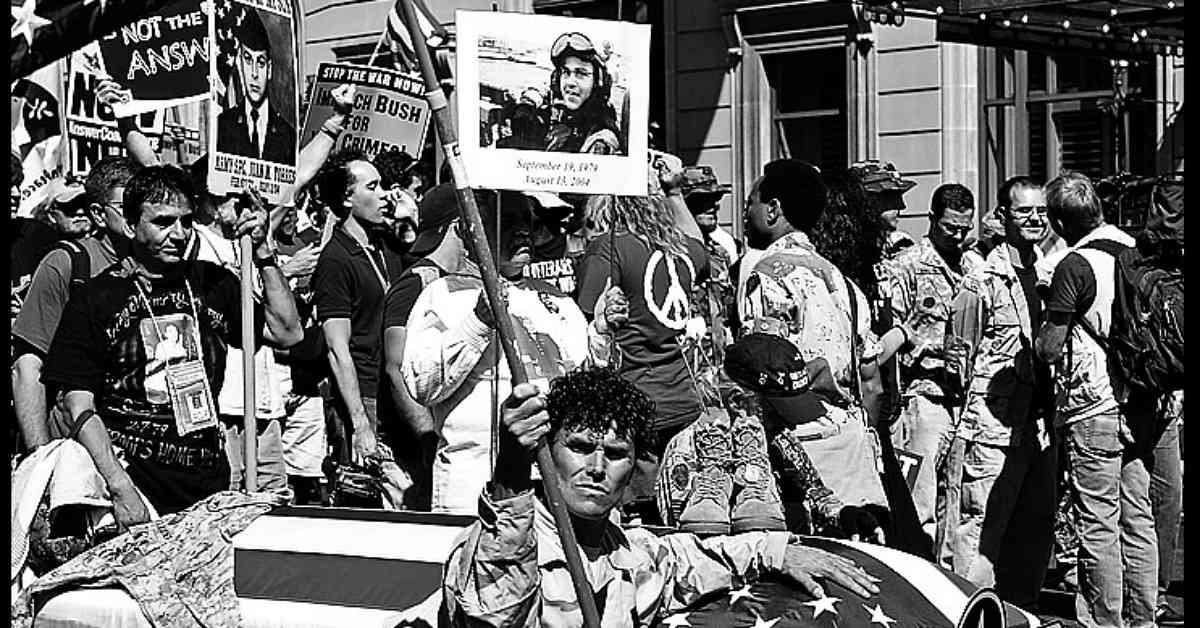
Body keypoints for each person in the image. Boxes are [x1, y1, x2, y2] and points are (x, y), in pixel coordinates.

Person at [443, 366, 881, 627]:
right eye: (579, 447)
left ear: (635, 467)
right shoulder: (487, 546)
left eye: (616, 454)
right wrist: (511, 471)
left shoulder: (633, 555)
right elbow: (494, 616)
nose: (596, 467)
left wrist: (778, 552)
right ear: (546, 453)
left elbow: (699, 558)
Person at [41, 165, 302, 525]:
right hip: (134, 484)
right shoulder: (96, 297)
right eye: (163, 222)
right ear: (130, 225)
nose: (178, 234)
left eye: (186, 221)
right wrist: (120, 487)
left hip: (208, 481)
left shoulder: (215, 282)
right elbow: (77, 405)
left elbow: (287, 332)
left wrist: (263, 253)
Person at [402, 190, 599, 513]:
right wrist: (478, 321)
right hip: (475, 485)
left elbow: (585, 382)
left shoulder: (557, 301)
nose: (522, 231)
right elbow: (423, 384)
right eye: (506, 221)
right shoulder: (443, 294)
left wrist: (602, 333)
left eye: (527, 221)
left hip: (553, 484)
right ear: (470, 231)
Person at [1032, 172, 1153, 628]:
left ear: (1059, 223)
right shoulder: (1138, 251)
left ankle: (1104, 623)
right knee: (1137, 519)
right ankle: (1144, 620)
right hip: (1142, 401)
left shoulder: (1075, 265)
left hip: (1094, 405)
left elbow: (1049, 348)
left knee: (1098, 523)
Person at [738, 159, 889, 517]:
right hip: (853, 449)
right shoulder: (844, 283)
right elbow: (873, 386)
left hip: (797, 453)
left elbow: (761, 373)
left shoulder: (766, 276)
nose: (745, 214)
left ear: (773, 209)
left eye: (750, 204)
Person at [942, 176, 1057, 611]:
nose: (1035, 219)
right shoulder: (980, 277)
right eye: (1025, 211)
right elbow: (960, 354)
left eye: (1041, 211)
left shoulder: (1049, 272)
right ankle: (968, 613)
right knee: (979, 529)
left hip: (1040, 426)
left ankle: (1021, 613)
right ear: (1004, 216)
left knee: (1034, 529)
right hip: (990, 429)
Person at [12, 157, 139, 453]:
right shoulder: (66, 264)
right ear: (99, 214)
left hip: (149, 454)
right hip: (79, 451)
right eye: (126, 207)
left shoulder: (166, 267)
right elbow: (28, 366)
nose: (139, 214)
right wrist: (41, 457)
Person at [884, 182, 980, 547]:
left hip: (965, 400)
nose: (958, 236)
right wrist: (936, 348)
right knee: (918, 499)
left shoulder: (975, 267)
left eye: (964, 229)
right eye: (950, 227)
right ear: (932, 219)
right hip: (923, 398)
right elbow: (893, 333)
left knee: (957, 500)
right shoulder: (906, 266)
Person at [311, 149, 409, 507]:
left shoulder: (384, 245)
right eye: (373, 186)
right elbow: (337, 349)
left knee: (402, 500)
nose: (385, 195)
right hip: (364, 397)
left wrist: (409, 218)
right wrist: (360, 424)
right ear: (346, 198)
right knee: (368, 503)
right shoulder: (336, 259)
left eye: (383, 185)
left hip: (393, 393)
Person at [379, 183, 462, 510]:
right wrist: (429, 436)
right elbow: (395, 367)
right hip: (417, 449)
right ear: (459, 225)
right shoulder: (416, 283)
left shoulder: (453, 280)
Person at [216, 7, 296, 163]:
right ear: (239, 64)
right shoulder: (223, 125)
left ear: (269, 69)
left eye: (260, 62)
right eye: (248, 60)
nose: (254, 73)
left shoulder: (287, 134)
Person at [544, 32, 622, 155]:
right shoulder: (558, 115)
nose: (570, 82)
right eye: (565, 72)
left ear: (597, 82)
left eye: (581, 73)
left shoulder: (600, 141)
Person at [850, 160, 917, 259]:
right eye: (892, 198)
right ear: (870, 201)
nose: (902, 205)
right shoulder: (846, 245)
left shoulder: (899, 243)